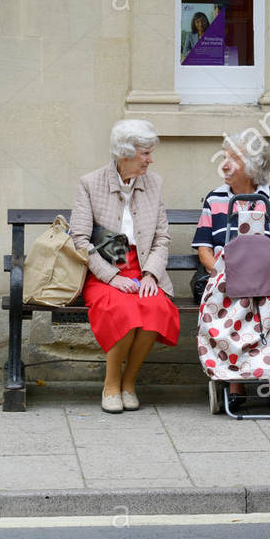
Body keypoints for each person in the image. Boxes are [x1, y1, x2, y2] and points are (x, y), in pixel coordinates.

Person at [70, 119, 179, 414]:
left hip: (142, 268)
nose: (150, 160)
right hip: (104, 272)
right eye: (145, 153)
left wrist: (150, 274)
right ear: (125, 153)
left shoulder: (153, 183)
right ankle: (110, 384)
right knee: (124, 310)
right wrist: (112, 276)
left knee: (155, 308)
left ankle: (129, 383)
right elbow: (79, 238)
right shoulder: (91, 183)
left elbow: (161, 237)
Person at [193, 131, 270, 275]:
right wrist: (227, 275)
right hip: (224, 281)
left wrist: (259, 277)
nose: (224, 166)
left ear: (253, 166)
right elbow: (204, 251)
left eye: (233, 159)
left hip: (265, 281)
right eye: (224, 158)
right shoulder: (214, 199)